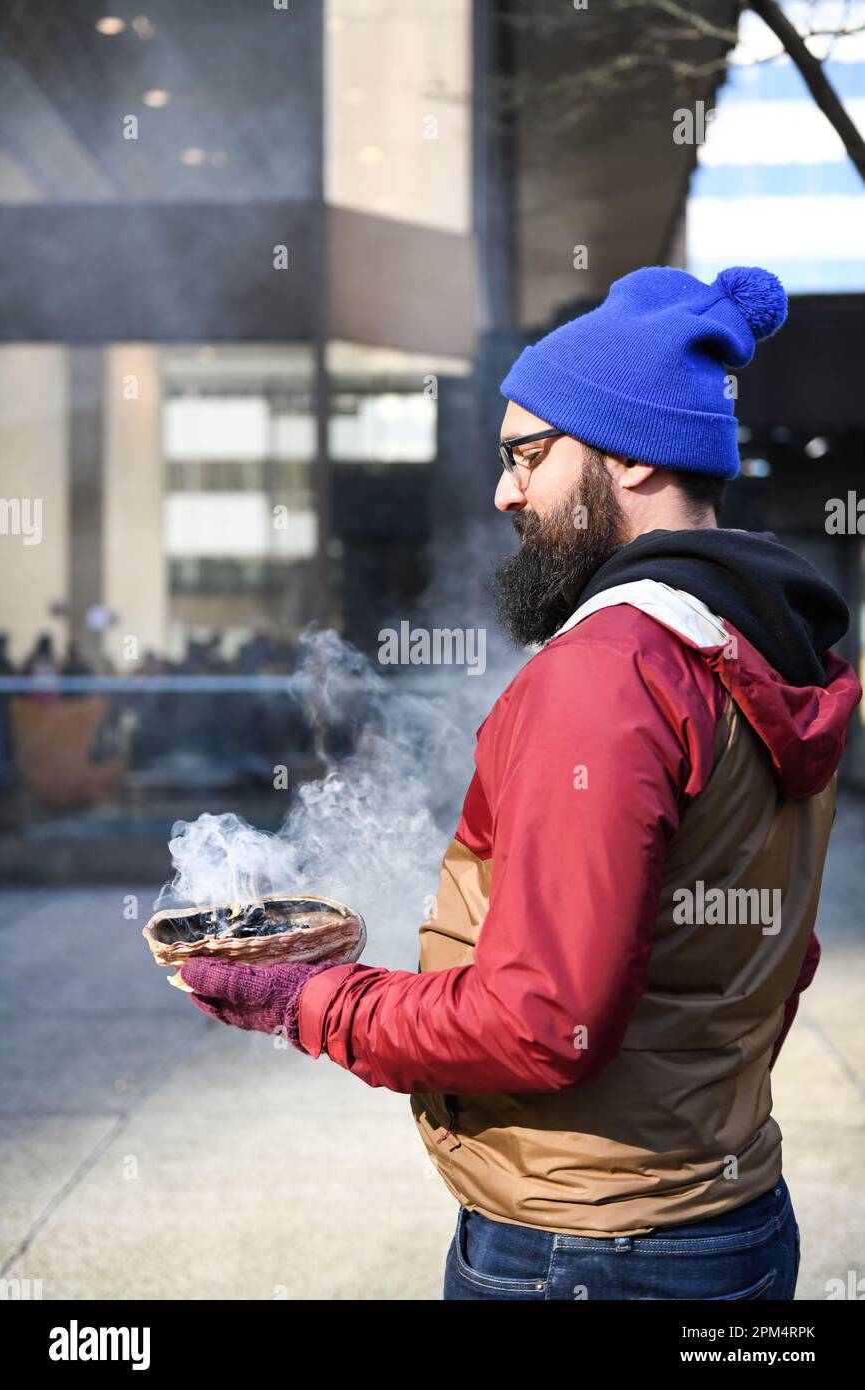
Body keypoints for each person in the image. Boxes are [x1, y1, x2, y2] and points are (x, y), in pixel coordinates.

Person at [177, 264, 861, 1301]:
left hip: (587, 1254)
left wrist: (304, 997)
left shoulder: (608, 672)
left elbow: (544, 1023)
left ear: (628, 456)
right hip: (728, 1224)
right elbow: (768, 953)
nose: (503, 491)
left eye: (525, 456)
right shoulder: (770, 648)